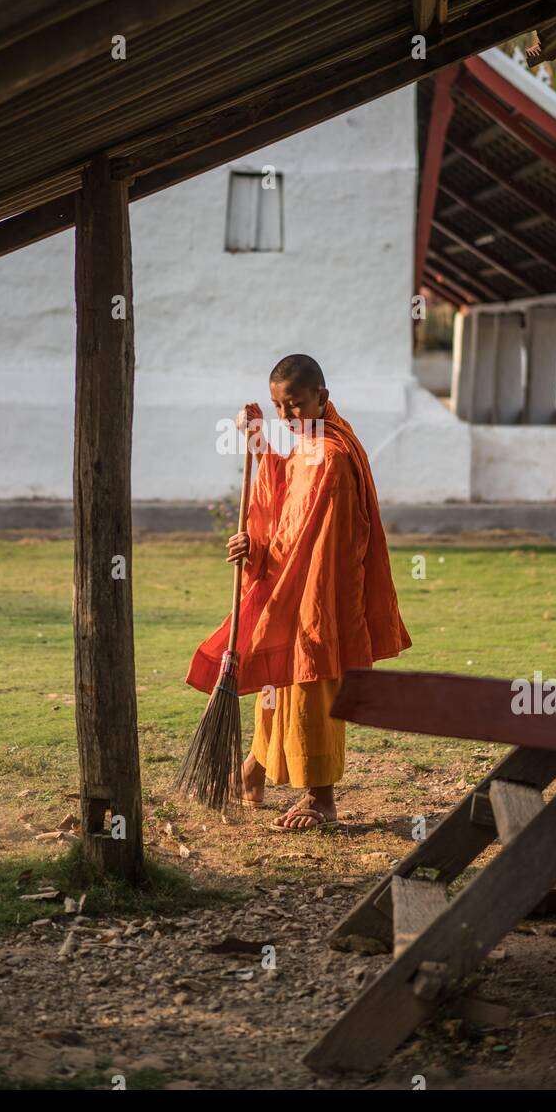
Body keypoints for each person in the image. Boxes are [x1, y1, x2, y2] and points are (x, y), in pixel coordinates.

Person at [186, 353, 411, 830]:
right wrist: (254, 539)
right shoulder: (310, 446)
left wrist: (269, 554)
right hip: (293, 579)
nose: (287, 416)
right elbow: (285, 495)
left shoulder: (332, 454)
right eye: (278, 406)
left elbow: (315, 533)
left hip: (320, 590)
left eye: (295, 405)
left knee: (309, 682)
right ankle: (255, 769)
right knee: (277, 678)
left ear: (321, 398)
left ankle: (319, 798)